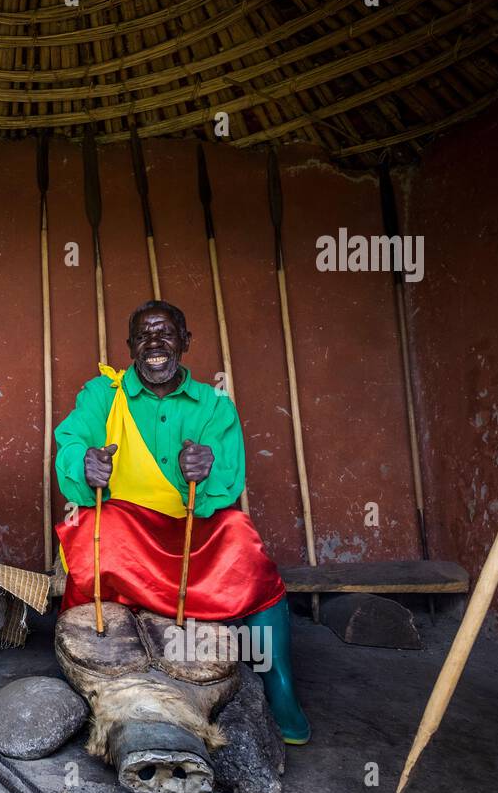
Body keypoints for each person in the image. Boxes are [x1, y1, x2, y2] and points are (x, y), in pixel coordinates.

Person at [54, 300, 310, 744]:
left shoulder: (213, 406)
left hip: (193, 533)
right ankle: (92, 676)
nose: (155, 343)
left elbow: (225, 491)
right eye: (143, 335)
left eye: (166, 333)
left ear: (186, 342)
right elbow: (71, 442)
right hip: (128, 534)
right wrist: (84, 464)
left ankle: (279, 684)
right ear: (130, 346)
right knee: (96, 526)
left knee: (239, 535)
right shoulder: (101, 395)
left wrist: (208, 467)